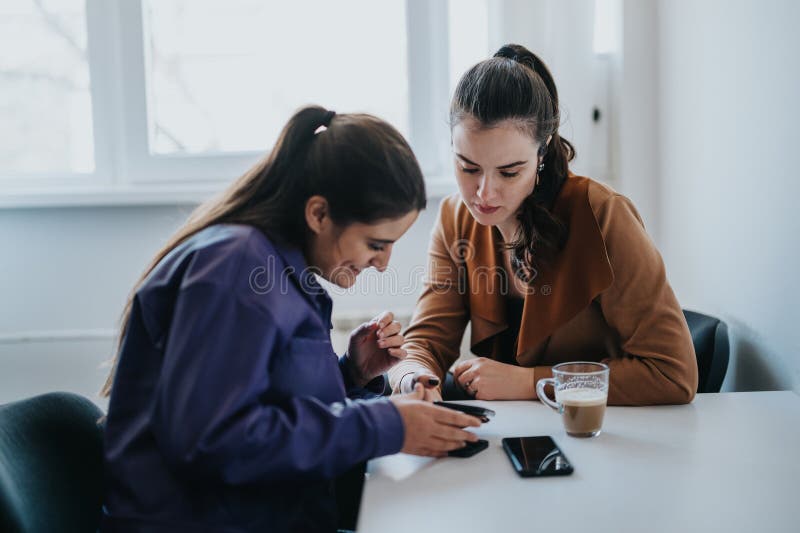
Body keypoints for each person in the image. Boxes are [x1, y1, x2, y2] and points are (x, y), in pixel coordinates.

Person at [99, 106, 481, 533]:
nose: (383, 265)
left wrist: (351, 373)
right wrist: (384, 424)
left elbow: (272, 407)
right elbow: (214, 439)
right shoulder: (235, 267)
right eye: (376, 243)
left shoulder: (282, 272)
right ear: (318, 214)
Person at [389, 45, 698, 405]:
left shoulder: (602, 215)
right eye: (468, 167)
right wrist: (413, 379)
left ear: (542, 151)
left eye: (509, 171)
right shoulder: (455, 218)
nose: (483, 193)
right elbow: (425, 341)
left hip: (603, 435)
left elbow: (673, 373)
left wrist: (530, 383)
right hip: (517, 438)